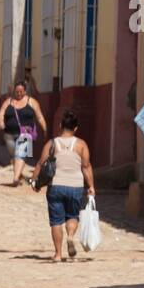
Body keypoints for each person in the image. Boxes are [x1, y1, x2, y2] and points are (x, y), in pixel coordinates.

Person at [31, 110, 95, 262]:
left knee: (56, 221)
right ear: (76, 128)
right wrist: (91, 186)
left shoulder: (52, 143)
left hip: (56, 186)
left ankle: (58, 254)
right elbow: (86, 166)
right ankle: (71, 237)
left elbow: (41, 163)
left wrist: (34, 180)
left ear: (60, 126)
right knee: (73, 216)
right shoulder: (81, 145)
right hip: (76, 187)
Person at [0, 82, 47, 188]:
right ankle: (19, 175)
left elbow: (40, 116)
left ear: (25, 91)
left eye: (21, 92)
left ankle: (15, 178)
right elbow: (1, 113)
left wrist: (45, 128)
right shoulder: (8, 101)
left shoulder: (32, 102)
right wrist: (1, 122)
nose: (18, 94)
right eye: (17, 91)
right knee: (14, 157)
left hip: (26, 134)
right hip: (9, 134)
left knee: (20, 155)